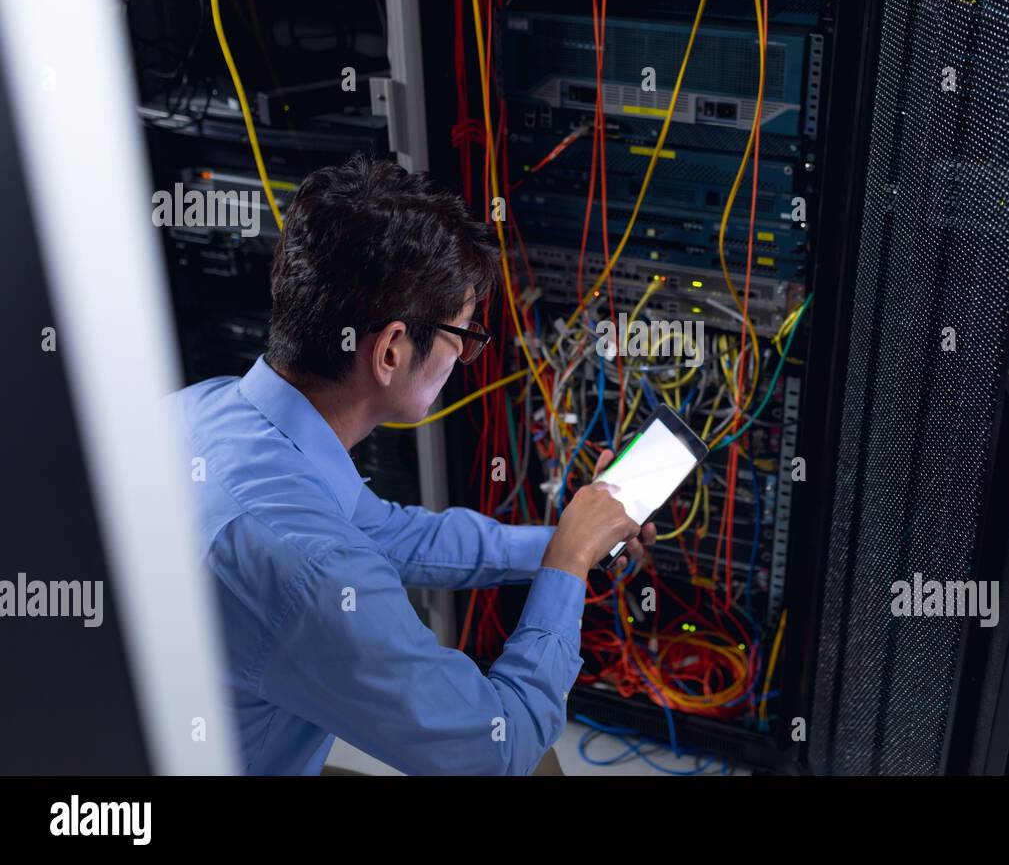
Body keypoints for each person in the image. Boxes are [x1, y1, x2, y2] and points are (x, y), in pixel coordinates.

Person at [171, 156, 652, 775]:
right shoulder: (311, 573)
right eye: (463, 334)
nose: (463, 353)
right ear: (392, 350)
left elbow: (394, 533)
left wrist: (570, 542)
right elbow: (499, 748)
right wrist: (566, 570)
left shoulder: (203, 409)